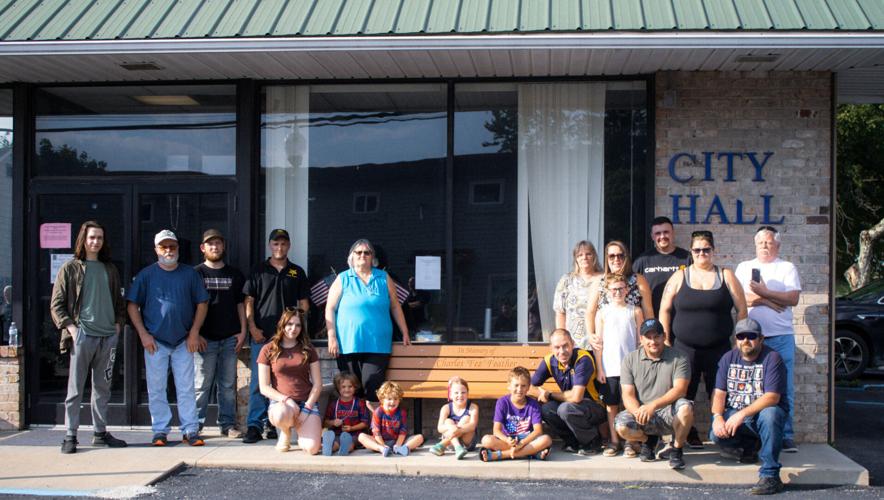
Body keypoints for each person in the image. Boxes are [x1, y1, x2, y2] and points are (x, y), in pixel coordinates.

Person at [659, 229, 748, 448]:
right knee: (683, 394)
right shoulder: (680, 276)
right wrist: (666, 340)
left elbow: (742, 310)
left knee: (720, 394)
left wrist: (739, 341)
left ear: (713, 250)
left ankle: (725, 439)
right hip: (684, 349)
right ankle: (684, 436)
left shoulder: (726, 275)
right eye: (697, 250)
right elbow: (664, 309)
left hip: (719, 349)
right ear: (691, 252)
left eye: (706, 250)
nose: (702, 254)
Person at [50, 221, 127, 454]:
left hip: (107, 336)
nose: (96, 242)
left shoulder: (110, 269)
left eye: (100, 238)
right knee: (75, 389)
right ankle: (70, 435)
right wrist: (72, 329)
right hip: (82, 336)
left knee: (102, 388)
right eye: (92, 237)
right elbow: (56, 304)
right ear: (83, 239)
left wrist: (117, 326)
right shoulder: (70, 268)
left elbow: (119, 303)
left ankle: (100, 433)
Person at [127, 229, 209, 447]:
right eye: (164, 247)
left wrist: (194, 333)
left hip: (184, 341)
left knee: (186, 388)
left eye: (172, 246)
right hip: (155, 342)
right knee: (156, 389)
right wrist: (143, 334)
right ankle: (160, 431)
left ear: (178, 248)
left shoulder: (190, 274)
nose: (168, 250)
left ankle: (190, 430)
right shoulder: (146, 275)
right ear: (156, 250)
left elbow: (202, 303)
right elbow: (132, 305)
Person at [735, 226, 801, 453]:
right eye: (761, 242)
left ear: (777, 245)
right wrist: (767, 300)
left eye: (769, 242)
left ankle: (786, 435)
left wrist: (763, 292)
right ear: (755, 244)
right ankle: (752, 434)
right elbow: (738, 297)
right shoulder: (744, 267)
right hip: (750, 339)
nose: (764, 245)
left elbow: (793, 298)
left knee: (784, 387)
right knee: (750, 387)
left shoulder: (786, 268)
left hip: (781, 337)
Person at [242, 229, 310, 444]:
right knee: (258, 382)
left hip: (289, 337)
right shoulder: (258, 270)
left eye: (283, 243)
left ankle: (274, 424)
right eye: (275, 243)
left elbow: (304, 304)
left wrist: (299, 328)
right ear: (270, 245)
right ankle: (254, 425)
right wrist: (252, 327)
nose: (279, 247)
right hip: (262, 335)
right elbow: (249, 301)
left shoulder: (297, 272)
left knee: (282, 380)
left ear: (289, 245)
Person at [326, 239, 411, 409]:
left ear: (373, 257)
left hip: (378, 343)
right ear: (351, 256)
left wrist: (405, 331)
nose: (362, 255)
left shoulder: (383, 277)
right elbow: (330, 308)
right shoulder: (343, 278)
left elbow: (395, 305)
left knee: (372, 385)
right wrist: (332, 336)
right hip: (348, 343)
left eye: (367, 252)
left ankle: (374, 423)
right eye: (358, 252)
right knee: (351, 388)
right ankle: (356, 422)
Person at [710, 318, 788, 495]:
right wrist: (717, 417)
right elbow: (719, 393)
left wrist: (741, 414)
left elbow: (772, 397)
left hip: (762, 416)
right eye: (741, 336)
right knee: (715, 434)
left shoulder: (772, 358)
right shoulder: (728, 358)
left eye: (751, 336)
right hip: (737, 414)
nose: (746, 340)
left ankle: (771, 475)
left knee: (771, 415)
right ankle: (750, 446)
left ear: (761, 339)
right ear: (736, 339)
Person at [615, 319, 693, 469]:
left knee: (685, 409)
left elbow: (680, 389)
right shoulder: (629, 360)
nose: (653, 341)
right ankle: (648, 441)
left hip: (668, 411)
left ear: (664, 336)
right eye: (648, 337)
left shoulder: (680, 357)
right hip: (643, 411)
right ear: (641, 339)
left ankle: (676, 449)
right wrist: (638, 412)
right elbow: (628, 394)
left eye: (657, 336)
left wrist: (653, 406)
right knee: (621, 426)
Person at [193, 229, 246, 438]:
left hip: (230, 338)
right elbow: (190, 306)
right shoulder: (196, 273)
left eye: (218, 243)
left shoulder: (235, 274)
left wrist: (243, 331)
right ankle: (195, 426)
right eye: (210, 243)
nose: (214, 247)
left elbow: (241, 304)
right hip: (204, 339)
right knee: (201, 385)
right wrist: (195, 333)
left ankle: (227, 425)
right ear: (203, 248)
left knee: (227, 385)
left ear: (223, 246)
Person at [530, 328, 605, 455]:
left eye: (565, 346)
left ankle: (593, 442)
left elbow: (576, 397)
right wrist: (540, 393)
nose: (562, 351)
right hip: (570, 405)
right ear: (551, 348)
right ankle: (572, 442)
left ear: (573, 344)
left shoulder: (583, 359)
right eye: (557, 347)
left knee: (565, 409)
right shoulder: (549, 360)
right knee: (546, 409)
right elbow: (530, 385)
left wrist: (549, 394)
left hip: (595, 407)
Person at [257, 308, 322, 454]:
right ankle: (285, 431)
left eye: (298, 325)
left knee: (312, 449)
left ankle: (302, 435)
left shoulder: (308, 349)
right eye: (290, 324)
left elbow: (318, 384)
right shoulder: (268, 349)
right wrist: (287, 400)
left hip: (306, 403)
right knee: (281, 414)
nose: (294, 328)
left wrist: (307, 409)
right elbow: (264, 387)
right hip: (281, 404)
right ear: (282, 325)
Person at [595, 274, 643, 457]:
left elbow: (640, 342)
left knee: (630, 404)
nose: (617, 292)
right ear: (607, 291)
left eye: (621, 288)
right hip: (609, 367)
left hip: (631, 368)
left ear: (627, 290)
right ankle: (614, 441)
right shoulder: (602, 313)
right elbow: (598, 344)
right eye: (614, 289)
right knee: (612, 406)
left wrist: (640, 366)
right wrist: (600, 368)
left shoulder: (635, 311)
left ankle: (630, 441)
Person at [585, 241, 653, 353]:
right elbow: (590, 311)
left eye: (620, 255)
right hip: (607, 342)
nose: (616, 259)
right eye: (612, 256)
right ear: (607, 259)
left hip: (632, 339)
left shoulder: (638, 280)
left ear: (626, 257)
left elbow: (648, 310)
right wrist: (590, 334)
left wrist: (650, 333)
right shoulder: (599, 281)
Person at [480, 366, 552, 461]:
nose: (519, 389)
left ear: (528, 387)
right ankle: (530, 453)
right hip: (508, 440)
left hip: (526, 440)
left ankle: (500, 455)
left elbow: (538, 431)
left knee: (546, 439)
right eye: (516, 385)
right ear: (509, 386)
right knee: (486, 440)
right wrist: (507, 440)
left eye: (523, 386)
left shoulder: (533, 404)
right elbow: (496, 430)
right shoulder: (502, 402)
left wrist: (521, 444)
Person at [633, 216, 691, 317]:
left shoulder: (687, 258)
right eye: (658, 233)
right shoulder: (642, 260)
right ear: (652, 236)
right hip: (652, 317)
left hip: (681, 318)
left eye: (666, 232)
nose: (662, 236)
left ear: (673, 233)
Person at [553, 240, 604, 349]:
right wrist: (562, 340)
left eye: (588, 254)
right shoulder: (566, 280)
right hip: (574, 343)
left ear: (594, 256)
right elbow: (560, 312)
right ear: (575, 258)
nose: (584, 257)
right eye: (580, 255)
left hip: (600, 341)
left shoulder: (604, 279)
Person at [358, 381, 424, 456]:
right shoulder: (378, 412)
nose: (392, 402)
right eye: (389, 399)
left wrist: (398, 445)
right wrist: (383, 445)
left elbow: (403, 431)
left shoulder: (402, 413)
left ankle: (402, 449)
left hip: (397, 441)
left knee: (420, 437)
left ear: (399, 400)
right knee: (361, 437)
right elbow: (376, 431)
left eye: (395, 399)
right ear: (382, 399)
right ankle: (382, 449)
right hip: (380, 441)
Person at [429, 376, 479, 459]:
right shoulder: (446, 408)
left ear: (467, 393)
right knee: (448, 421)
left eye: (463, 392)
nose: (460, 395)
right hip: (451, 445)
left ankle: (442, 444)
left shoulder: (473, 407)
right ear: (451, 395)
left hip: (467, 443)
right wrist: (451, 427)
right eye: (456, 393)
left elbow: (472, 426)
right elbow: (440, 428)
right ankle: (458, 447)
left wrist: (458, 429)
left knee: (466, 418)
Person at [321, 372, 370, 456]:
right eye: (343, 387)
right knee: (335, 443)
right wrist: (333, 422)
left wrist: (352, 428)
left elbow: (365, 423)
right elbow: (325, 422)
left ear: (355, 387)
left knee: (350, 443)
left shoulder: (359, 403)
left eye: (350, 386)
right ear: (338, 388)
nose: (347, 390)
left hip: (355, 434)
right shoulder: (333, 404)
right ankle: (329, 448)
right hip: (337, 433)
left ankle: (345, 448)